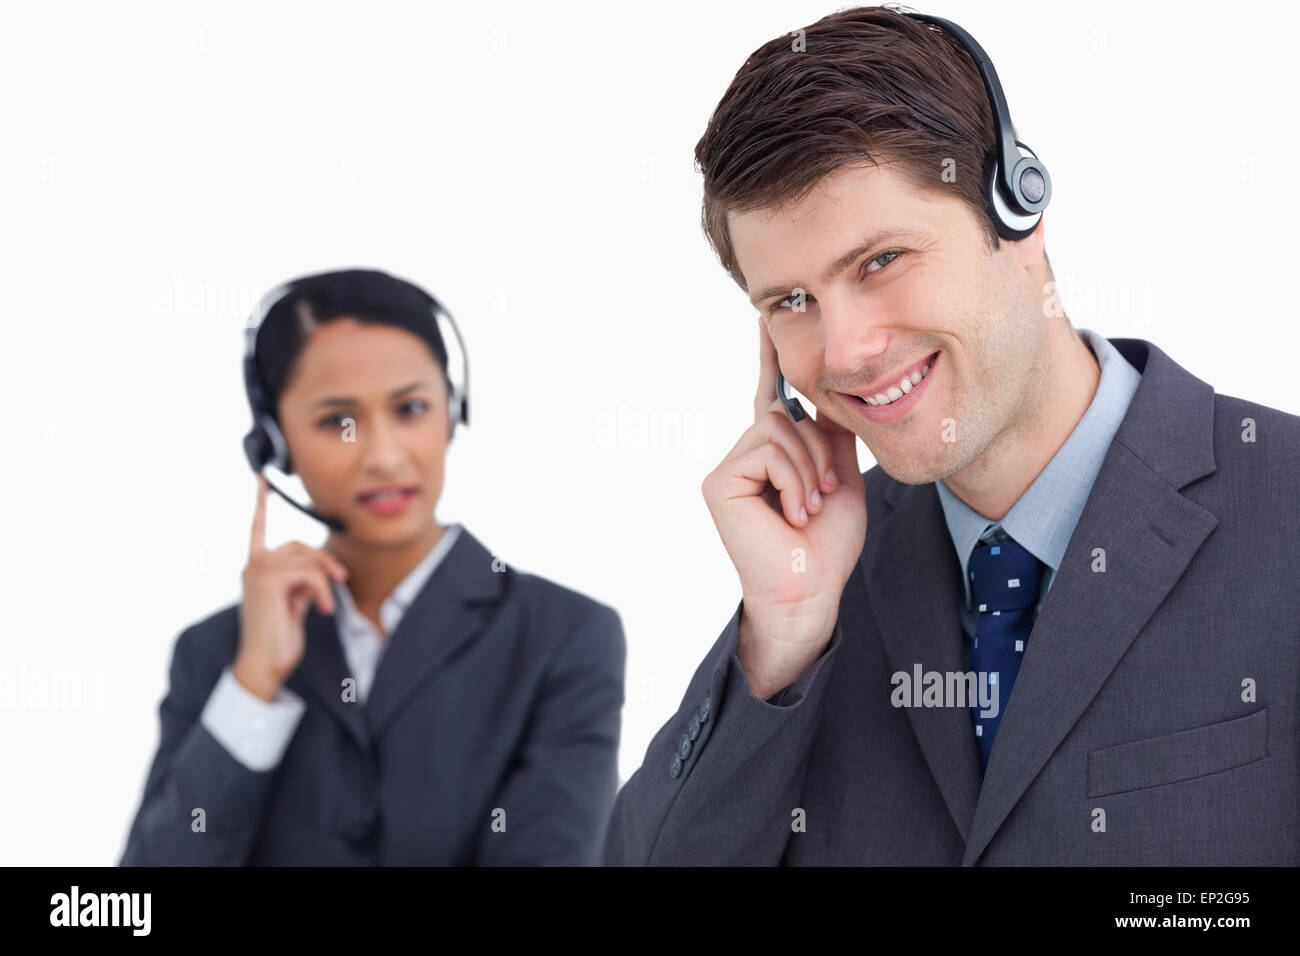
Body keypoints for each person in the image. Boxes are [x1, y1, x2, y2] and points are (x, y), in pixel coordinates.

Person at [603, 6, 1298, 865]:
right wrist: (779, 639)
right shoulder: (818, 596)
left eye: (881, 261)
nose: (846, 351)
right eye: (792, 302)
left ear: (1020, 211)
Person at [120, 267, 625, 865]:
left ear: (452, 412)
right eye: (338, 422)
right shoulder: (215, 654)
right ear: (275, 443)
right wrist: (253, 685)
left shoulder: (562, 636)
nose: (384, 456)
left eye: (411, 408)